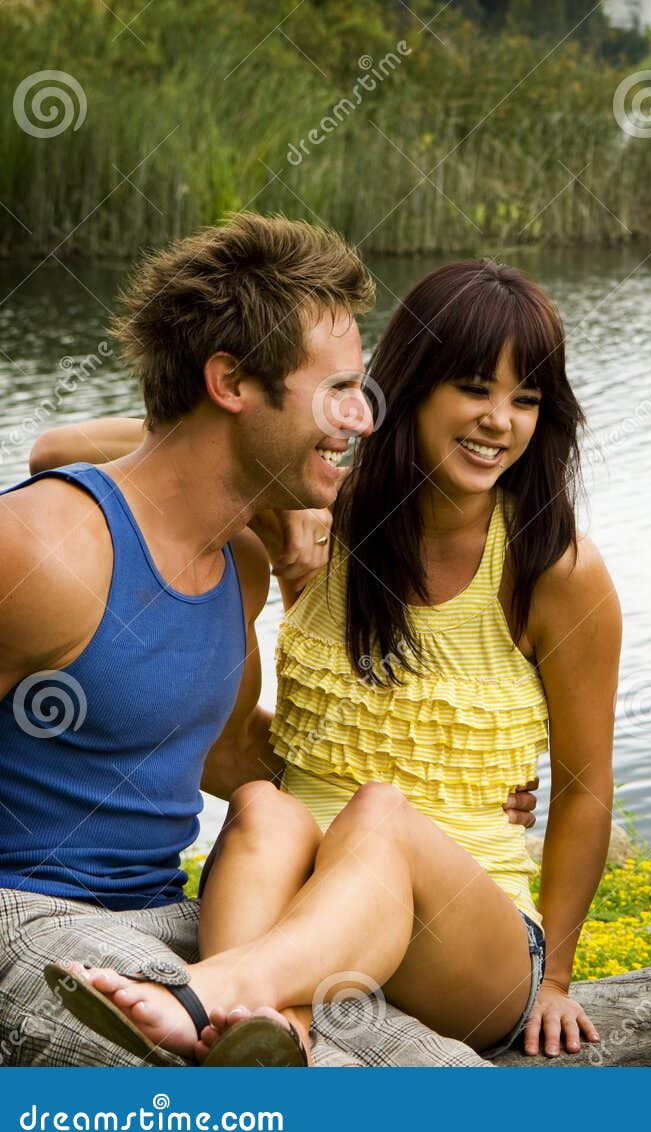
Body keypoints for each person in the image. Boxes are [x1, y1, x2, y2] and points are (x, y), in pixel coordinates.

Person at [27, 258, 620, 1065]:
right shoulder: (319, 502)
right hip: (300, 904)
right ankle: (273, 1031)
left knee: (380, 814)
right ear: (406, 388)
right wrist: (281, 485)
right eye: (475, 388)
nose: (499, 421)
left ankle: (205, 992)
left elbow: (586, 792)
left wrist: (558, 973)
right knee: (266, 808)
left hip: (464, 940)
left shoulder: (553, 567)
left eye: (526, 399)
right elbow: (57, 447)